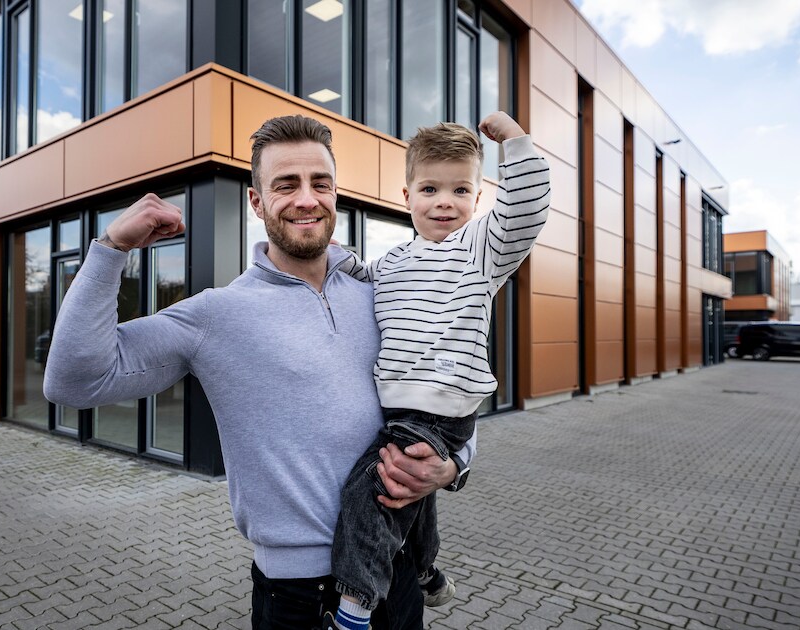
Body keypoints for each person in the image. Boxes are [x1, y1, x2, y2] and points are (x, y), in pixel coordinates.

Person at [43, 114, 475, 629]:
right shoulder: (215, 314)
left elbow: (448, 387)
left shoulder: (381, 294)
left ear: (336, 192)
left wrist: (454, 466)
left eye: (320, 183)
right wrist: (110, 250)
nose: (306, 199)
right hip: (302, 596)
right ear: (255, 201)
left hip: (398, 570)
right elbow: (74, 380)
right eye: (285, 185)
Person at [325, 113, 550, 630]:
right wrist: (340, 260)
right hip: (401, 408)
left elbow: (526, 211)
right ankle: (426, 573)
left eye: (460, 190)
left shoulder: (481, 251)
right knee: (413, 498)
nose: (444, 201)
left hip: (441, 412)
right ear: (406, 196)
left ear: (477, 197)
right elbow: (366, 277)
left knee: (374, 490)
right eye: (430, 188)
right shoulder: (396, 259)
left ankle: (355, 608)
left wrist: (515, 142)